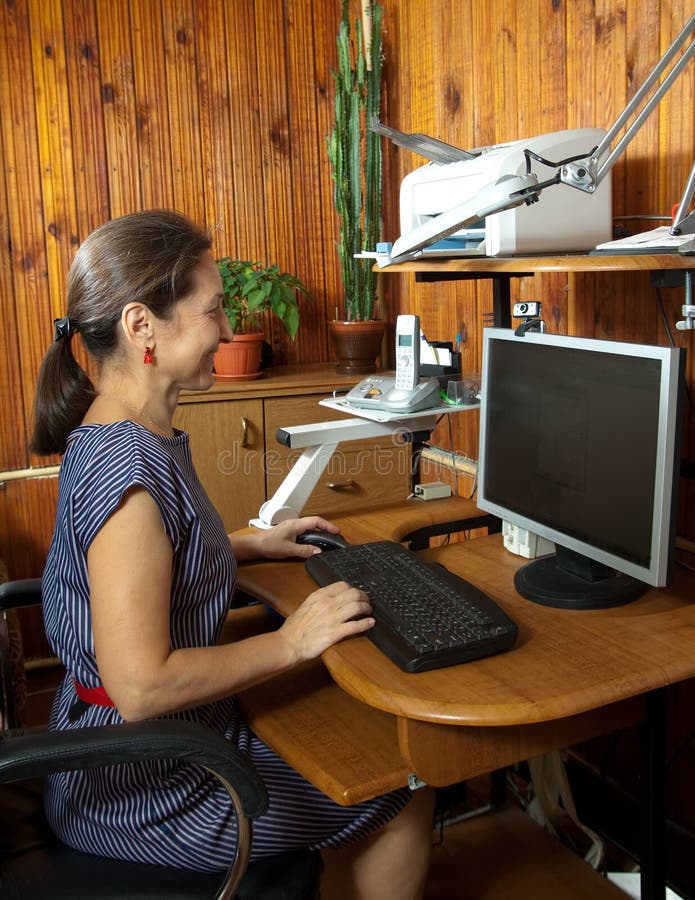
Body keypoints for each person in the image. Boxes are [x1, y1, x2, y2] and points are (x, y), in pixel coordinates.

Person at [31, 210, 435, 899]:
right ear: (141, 326)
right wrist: (293, 641)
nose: (226, 330)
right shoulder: (128, 470)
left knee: (338, 722)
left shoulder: (122, 430)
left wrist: (245, 544)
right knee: (405, 787)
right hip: (143, 782)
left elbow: (149, 561)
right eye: (213, 310)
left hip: (132, 748)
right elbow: (141, 687)